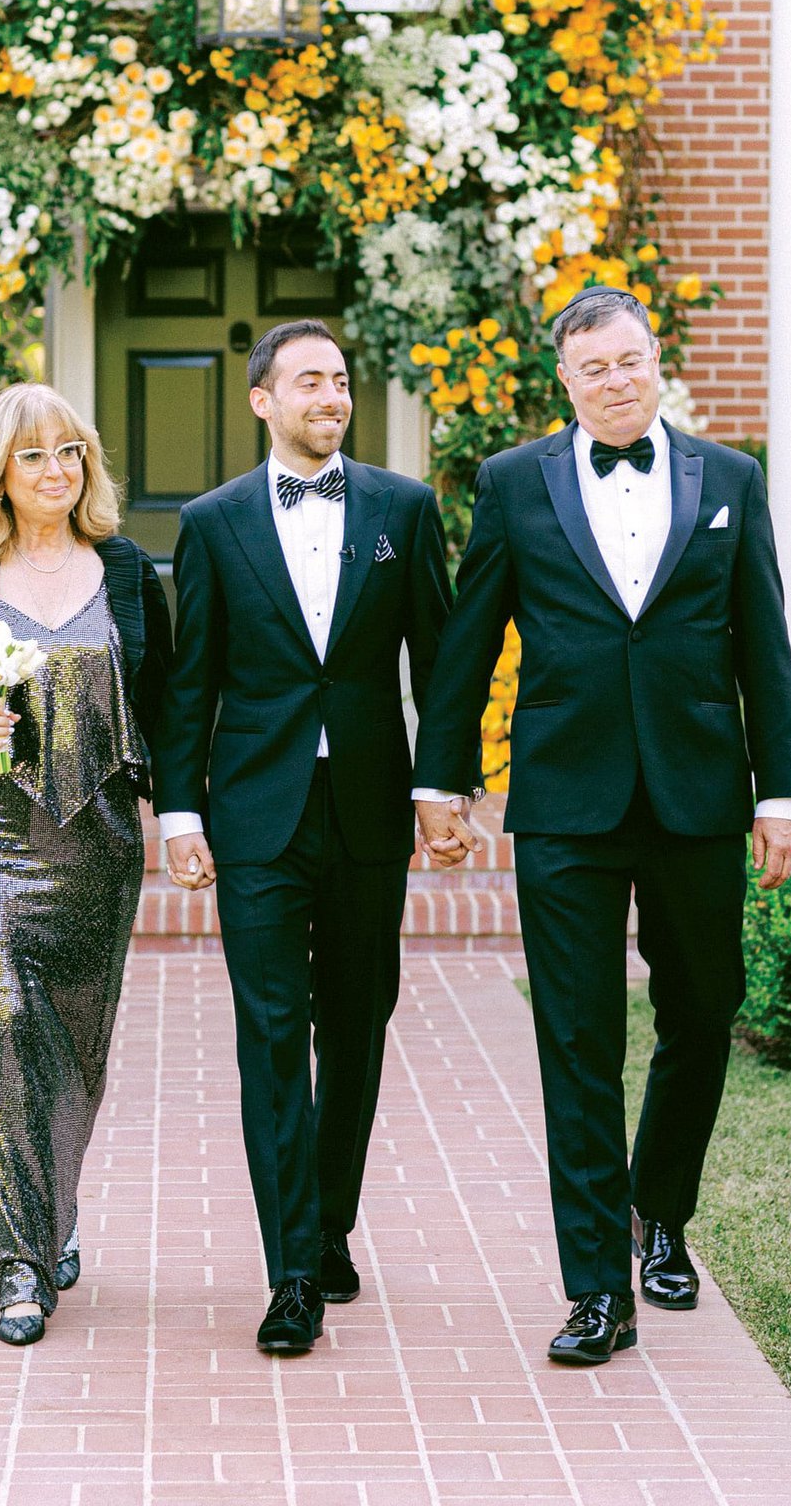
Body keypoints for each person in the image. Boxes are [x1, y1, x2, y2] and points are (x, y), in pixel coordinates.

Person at [412, 286, 791, 1367]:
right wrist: (439, 781)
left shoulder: (729, 479)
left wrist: (779, 794)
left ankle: (659, 1210)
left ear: (654, 359)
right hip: (565, 805)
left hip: (697, 796)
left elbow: (762, 641)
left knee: (703, 1011)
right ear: (567, 381)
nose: (616, 380)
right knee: (577, 1039)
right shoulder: (512, 483)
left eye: (630, 360)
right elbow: (469, 642)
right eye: (594, 368)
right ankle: (595, 1292)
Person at [152, 319, 452, 1353]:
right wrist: (181, 813)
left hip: (368, 803)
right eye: (309, 381)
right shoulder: (212, 522)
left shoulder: (404, 510)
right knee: (273, 1032)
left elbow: (439, 659)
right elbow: (189, 681)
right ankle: (290, 1275)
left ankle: (329, 1224)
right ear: (263, 401)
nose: (331, 397)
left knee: (357, 1023)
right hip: (256, 811)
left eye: (340, 380)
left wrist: (441, 787)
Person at [0, 382, 172, 1347]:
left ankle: (53, 1208)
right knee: (7, 1029)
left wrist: (182, 812)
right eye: (34, 456)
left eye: (70, 452)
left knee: (79, 1055)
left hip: (100, 841)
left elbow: (166, 700)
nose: (56, 471)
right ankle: (18, 1268)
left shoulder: (126, 569)